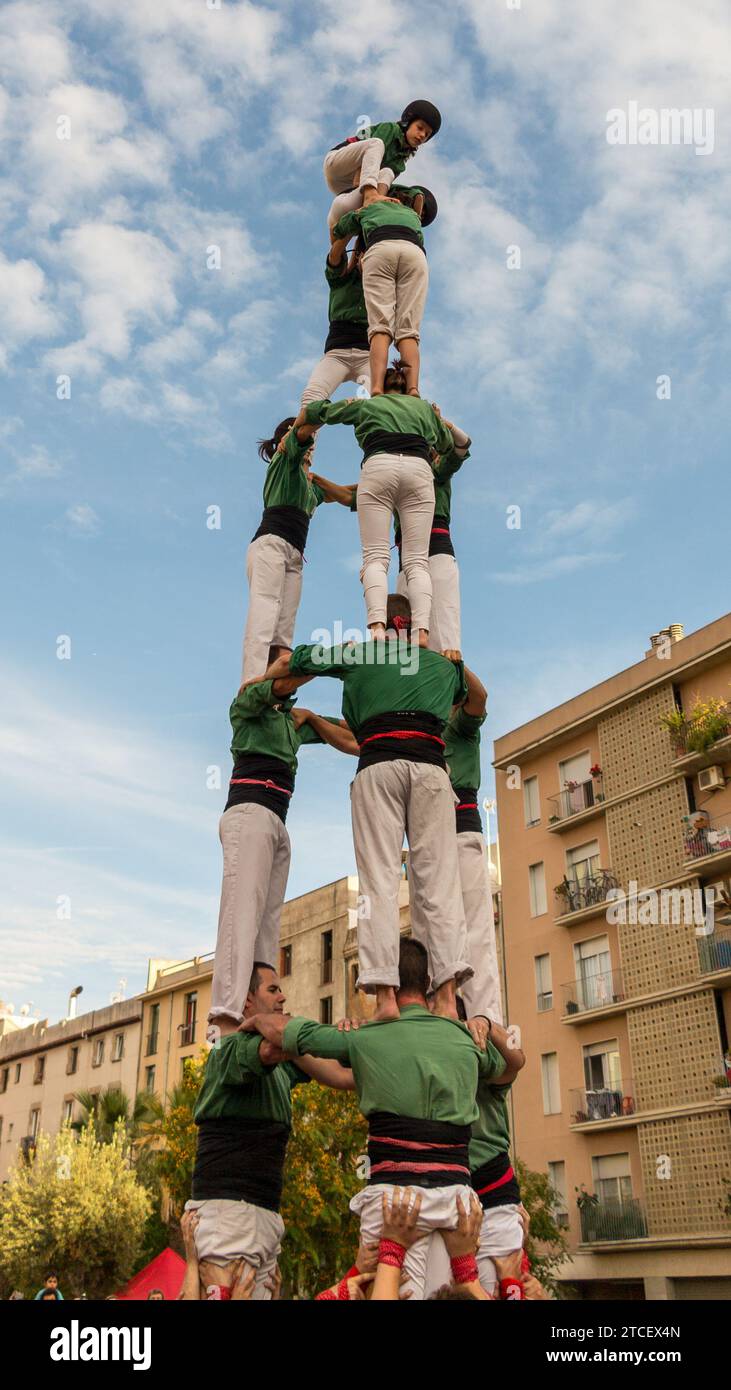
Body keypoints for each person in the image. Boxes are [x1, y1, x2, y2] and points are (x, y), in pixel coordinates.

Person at [243, 939, 517, 1300]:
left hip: (392, 1201)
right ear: (429, 981)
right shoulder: (462, 1037)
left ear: (380, 983)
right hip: (454, 1204)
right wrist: (483, 1024)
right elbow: (510, 1065)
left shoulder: (367, 1037)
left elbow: (288, 1034)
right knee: (455, 1293)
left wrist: (256, 1018)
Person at [261, 595, 471, 1018]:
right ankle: (447, 997)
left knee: (378, 882)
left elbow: (297, 661)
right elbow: (462, 696)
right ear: (417, 627)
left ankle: (385, 997)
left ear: (376, 622)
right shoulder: (445, 667)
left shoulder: (359, 652)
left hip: (378, 767)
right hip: (431, 770)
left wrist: (263, 681)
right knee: (439, 883)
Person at [187, 963, 355, 1300]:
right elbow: (273, 1047)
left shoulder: (282, 1069)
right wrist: (327, 1037)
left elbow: (343, 1075)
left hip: (262, 1216)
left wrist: (354, 1035)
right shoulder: (228, 1049)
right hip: (229, 1215)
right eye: (272, 990)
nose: (282, 996)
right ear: (247, 1000)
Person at [208, 667, 353, 1033]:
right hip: (249, 812)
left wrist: (314, 718)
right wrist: (321, 662)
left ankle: (258, 1010)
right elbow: (283, 682)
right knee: (240, 913)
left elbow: (355, 735)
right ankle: (225, 1016)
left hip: (276, 818)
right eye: (284, 662)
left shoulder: (291, 721)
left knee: (267, 924)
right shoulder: (248, 701)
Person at [294, 367, 469, 643]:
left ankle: (377, 627)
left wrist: (306, 415)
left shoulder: (368, 405)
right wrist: (434, 422)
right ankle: (421, 632)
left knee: (375, 557)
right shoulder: (422, 408)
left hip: (378, 465)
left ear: (380, 385)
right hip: (419, 470)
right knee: (417, 562)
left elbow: (327, 412)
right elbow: (451, 445)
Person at [410, 663, 503, 1030]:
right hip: (427, 834)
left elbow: (480, 697)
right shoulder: (421, 732)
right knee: (426, 927)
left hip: (461, 828)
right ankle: (430, 1011)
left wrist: (455, 665)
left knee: (476, 929)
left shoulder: (460, 725)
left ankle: (487, 1018)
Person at [241, 416, 341, 684]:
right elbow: (302, 430)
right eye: (308, 439)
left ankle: (277, 691)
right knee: (264, 615)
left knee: (284, 630)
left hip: (295, 557)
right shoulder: (285, 460)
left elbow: (346, 495)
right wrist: (331, 412)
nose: (311, 445)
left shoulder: (311, 487)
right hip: (270, 545)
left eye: (314, 443)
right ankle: (250, 683)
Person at [329, 185, 437, 395]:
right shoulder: (411, 213)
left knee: (380, 327)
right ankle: (413, 389)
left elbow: (338, 230)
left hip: (380, 249)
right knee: (408, 332)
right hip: (414, 253)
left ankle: (377, 387)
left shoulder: (370, 207)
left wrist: (360, 211)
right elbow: (418, 195)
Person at [395, 408, 471, 653]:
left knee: (443, 630)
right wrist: (318, 481)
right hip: (405, 562)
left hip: (435, 553)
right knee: (403, 638)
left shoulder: (438, 470)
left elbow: (463, 444)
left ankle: (451, 685)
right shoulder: (396, 479)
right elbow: (350, 495)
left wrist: (441, 422)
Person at [323, 101, 441, 230]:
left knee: (388, 172)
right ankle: (370, 196)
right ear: (408, 122)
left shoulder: (400, 163)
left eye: (427, 134)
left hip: (345, 188)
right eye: (420, 128)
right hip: (337, 165)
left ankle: (375, 210)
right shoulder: (391, 129)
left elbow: (381, 180)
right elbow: (363, 165)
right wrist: (365, 191)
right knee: (377, 144)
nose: (422, 135)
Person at [300, 240, 370, 422]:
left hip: (370, 356)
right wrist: (347, 229)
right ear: (358, 255)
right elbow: (335, 255)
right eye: (366, 255)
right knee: (311, 399)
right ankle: (306, 448)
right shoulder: (341, 279)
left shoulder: (384, 286)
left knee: (383, 403)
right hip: (337, 354)